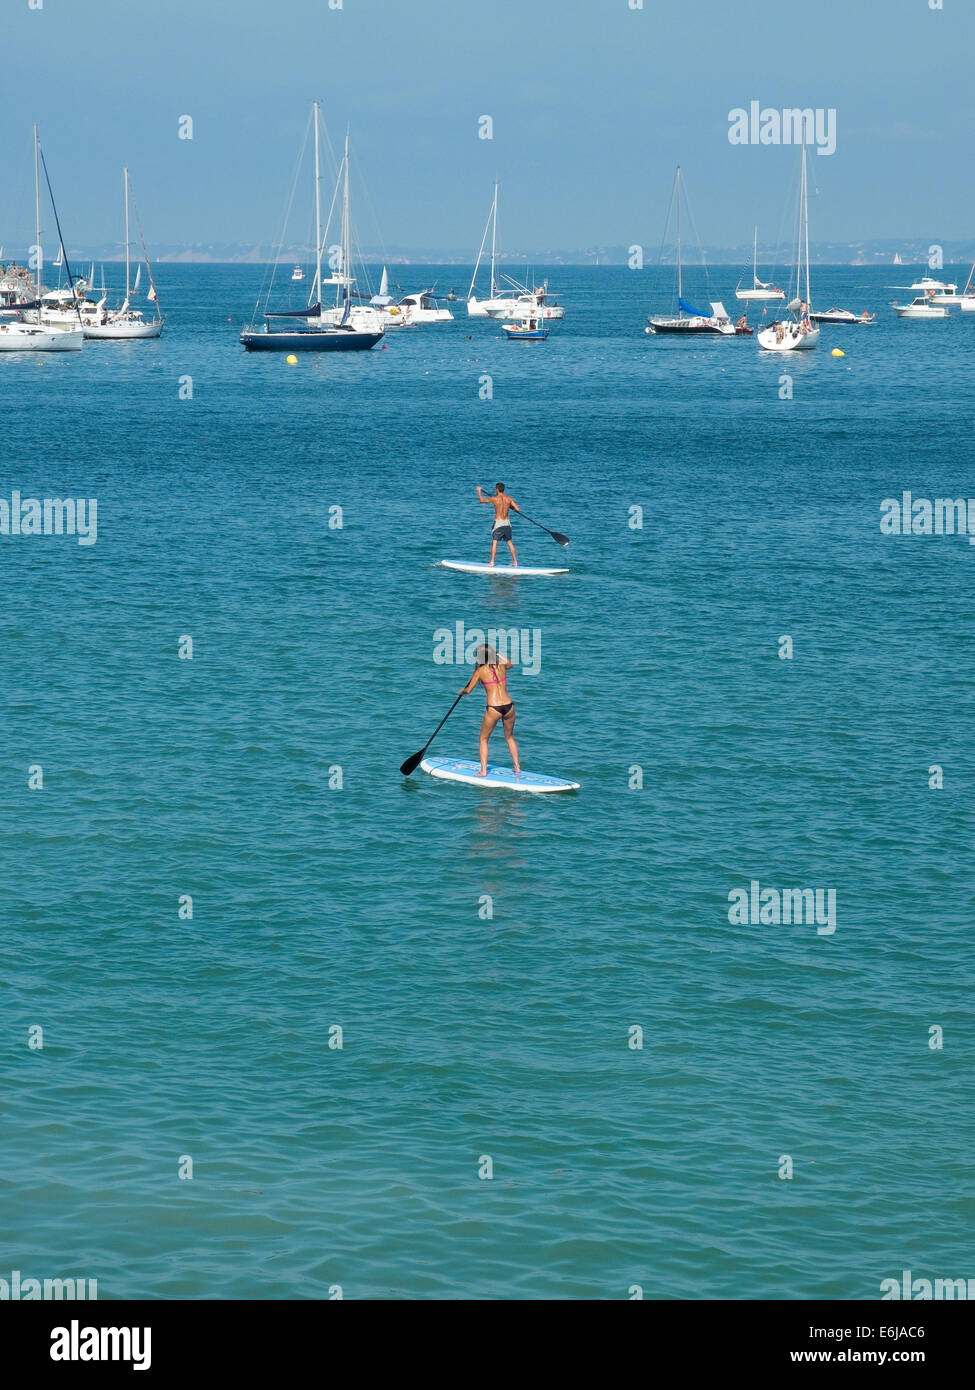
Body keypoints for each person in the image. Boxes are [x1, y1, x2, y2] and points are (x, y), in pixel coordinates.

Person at [459, 645, 520, 776]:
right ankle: (517, 767)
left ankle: (483, 771)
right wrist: (496, 654)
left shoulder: (480, 671)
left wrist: (462, 691)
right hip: (509, 706)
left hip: (494, 708)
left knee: (483, 739)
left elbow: (468, 690)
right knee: (509, 737)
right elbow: (511, 664)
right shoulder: (501, 665)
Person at [476, 481, 520, 567]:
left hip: (498, 523)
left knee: (495, 542)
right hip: (507, 523)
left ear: (497, 489)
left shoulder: (494, 499)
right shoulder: (509, 498)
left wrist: (479, 491)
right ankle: (515, 562)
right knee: (509, 542)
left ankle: (492, 562)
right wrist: (510, 507)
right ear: (503, 489)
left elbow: (481, 501)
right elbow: (517, 509)